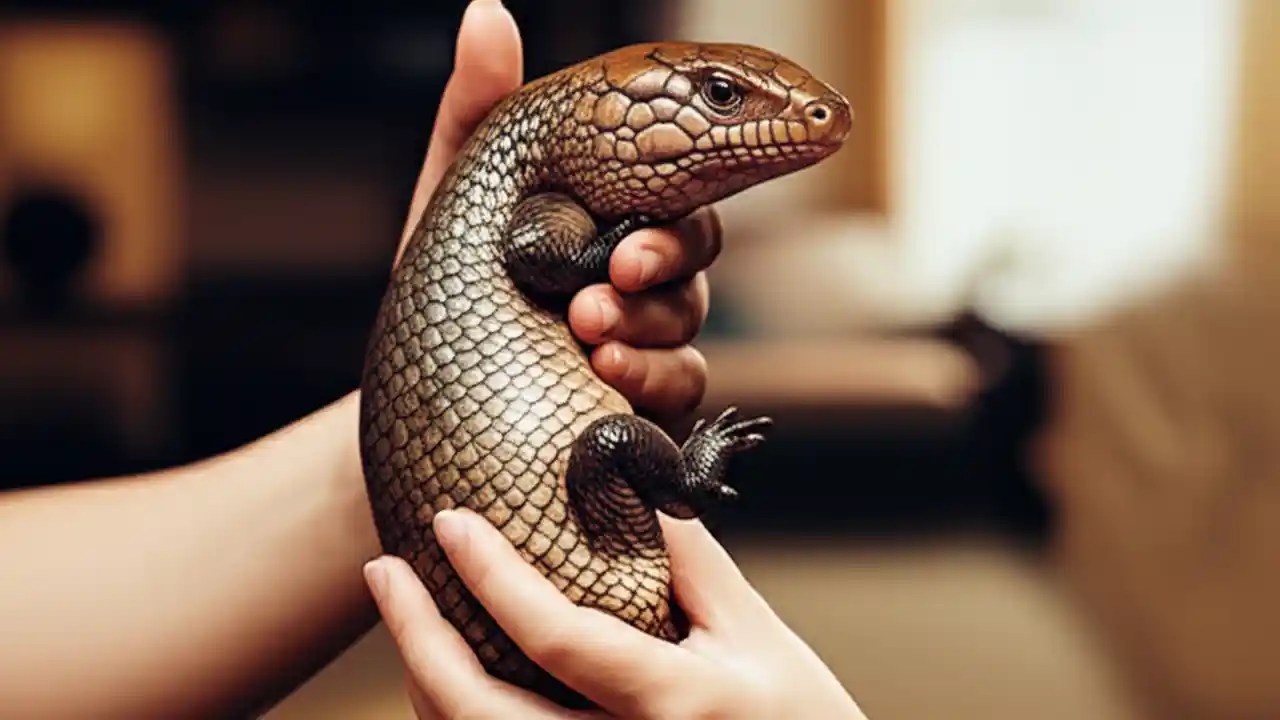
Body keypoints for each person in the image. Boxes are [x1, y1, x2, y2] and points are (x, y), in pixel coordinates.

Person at [0, 0, 866, 717]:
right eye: (718, 96)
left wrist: (417, 419)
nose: (806, 116)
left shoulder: (541, 213)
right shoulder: (548, 215)